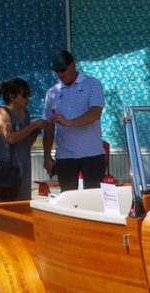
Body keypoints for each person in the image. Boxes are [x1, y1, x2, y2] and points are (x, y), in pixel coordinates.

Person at [42, 50, 106, 190]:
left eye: (63, 69)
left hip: (92, 154)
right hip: (65, 156)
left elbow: (95, 113)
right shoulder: (52, 92)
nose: (60, 74)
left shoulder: (92, 84)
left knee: (93, 198)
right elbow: (49, 127)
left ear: (73, 65)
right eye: (56, 71)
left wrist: (69, 122)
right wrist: (46, 157)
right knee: (68, 198)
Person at [0, 78, 45, 203]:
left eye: (29, 94)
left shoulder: (26, 114)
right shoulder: (1, 112)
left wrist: (33, 134)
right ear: (12, 96)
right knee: (1, 207)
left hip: (22, 168)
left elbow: (24, 145)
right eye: (24, 95)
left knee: (21, 206)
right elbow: (10, 138)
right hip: (4, 169)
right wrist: (33, 126)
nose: (28, 98)